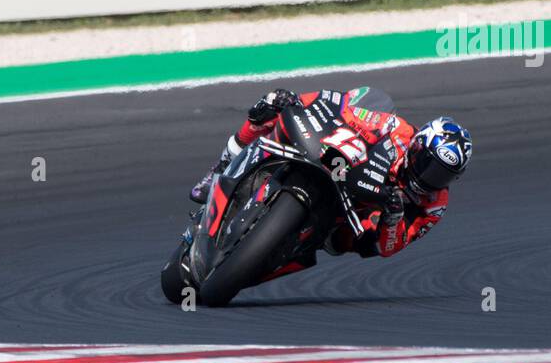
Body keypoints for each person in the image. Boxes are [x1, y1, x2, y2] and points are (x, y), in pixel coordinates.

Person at [190, 86, 472, 277]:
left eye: (442, 175)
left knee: (350, 242)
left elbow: (390, 248)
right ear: (417, 148)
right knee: (271, 104)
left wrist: (393, 217)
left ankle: (286, 248)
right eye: (429, 165)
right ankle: (223, 165)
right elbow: (344, 106)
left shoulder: (435, 205)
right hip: (342, 167)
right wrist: (298, 101)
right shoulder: (396, 130)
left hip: (357, 215)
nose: (430, 178)